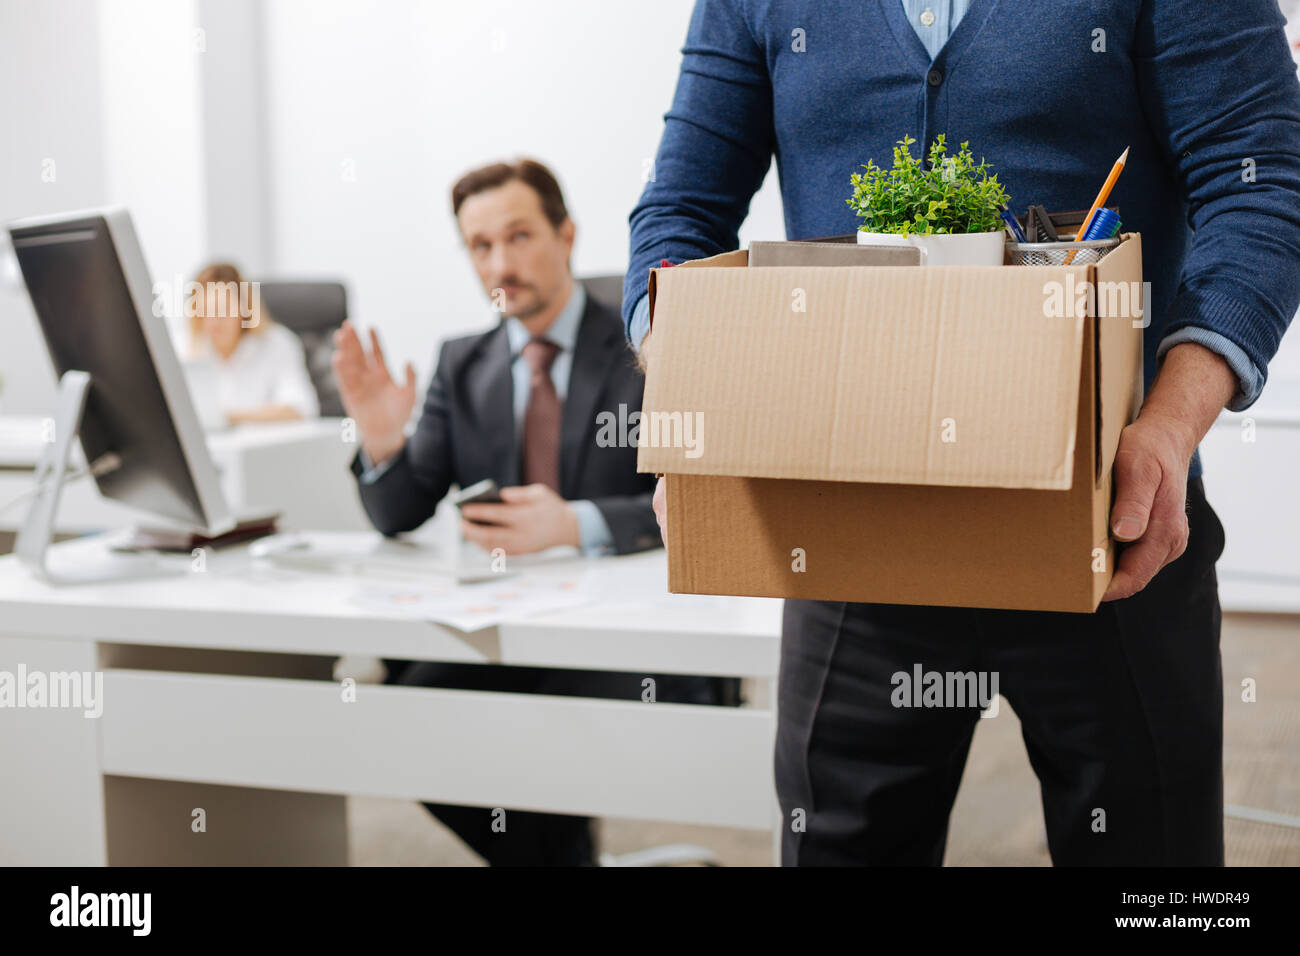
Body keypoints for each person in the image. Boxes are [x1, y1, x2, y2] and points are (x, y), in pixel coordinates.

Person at [625, 0, 1300, 865]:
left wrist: (1169, 426)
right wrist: (693, 388)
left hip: (1112, 527)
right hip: (847, 543)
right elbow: (678, 212)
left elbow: (1259, 188)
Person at [334, 158, 734, 866]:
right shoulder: (463, 363)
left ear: (567, 234)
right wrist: (381, 439)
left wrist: (576, 524)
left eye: (519, 237)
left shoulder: (649, 347)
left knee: (535, 733)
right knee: (410, 725)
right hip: (509, 632)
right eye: (480, 247)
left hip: (626, 635)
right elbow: (400, 511)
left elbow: (709, 496)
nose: (501, 262)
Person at [183, 262, 319, 425]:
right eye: (205, 311)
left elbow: (302, 409)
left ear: (244, 309)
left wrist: (228, 419)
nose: (214, 322)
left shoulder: (277, 343)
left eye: (222, 310)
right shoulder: (185, 348)